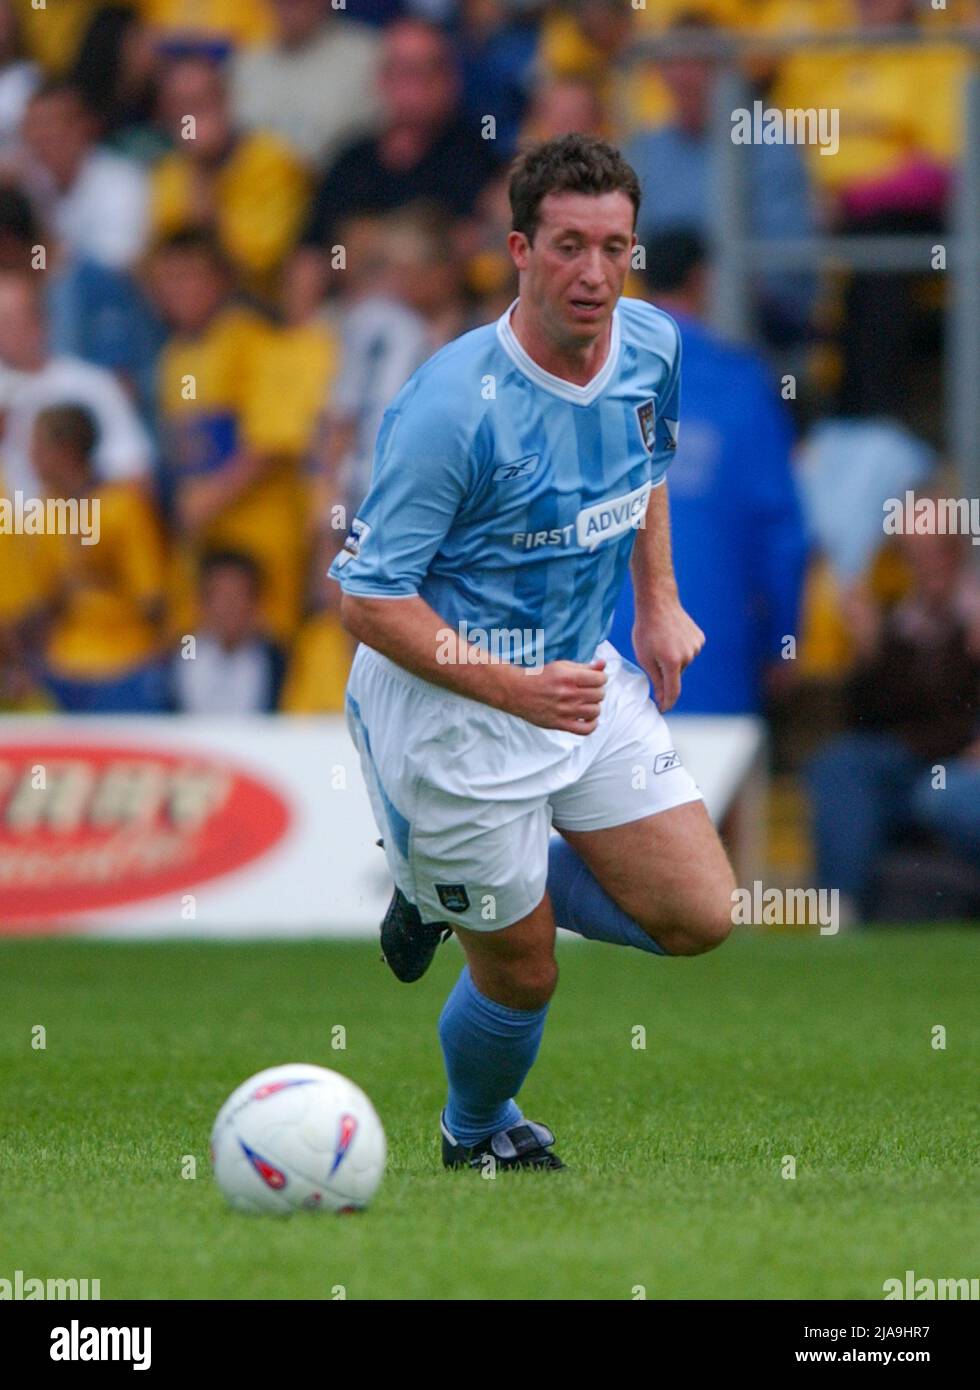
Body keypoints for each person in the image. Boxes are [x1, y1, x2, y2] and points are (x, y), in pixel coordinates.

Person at [330, 134, 735, 1173]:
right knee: (524, 973)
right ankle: (474, 1133)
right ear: (518, 248)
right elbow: (368, 601)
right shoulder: (448, 409)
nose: (593, 273)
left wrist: (658, 601)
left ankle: (442, 887)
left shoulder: (651, 343)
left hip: (578, 678)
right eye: (567, 246)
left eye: (613, 246)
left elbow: (645, 458)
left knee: (701, 915)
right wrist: (515, 685)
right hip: (448, 718)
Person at [608, 231, 807, 714]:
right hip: (711, 653)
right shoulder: (742, 382)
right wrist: (781, 637)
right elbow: (781, 533)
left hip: (602, 663)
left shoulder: (596, 380)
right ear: (703, 280)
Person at [806, 526, 980, 922]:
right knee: (841, 765)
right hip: (908, 762)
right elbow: (864, 721)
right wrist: (868, 656)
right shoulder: (896, 621)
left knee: (947, 796)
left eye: (937, 549)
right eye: (915, 553)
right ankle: (841, 912)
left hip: (964, 764)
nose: (927, 562)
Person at [9, 403, 168, 713]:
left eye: (40, 445)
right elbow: (44, 600)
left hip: (125, 664)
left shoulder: (123, 506)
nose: (31, 455)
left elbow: (153, 599)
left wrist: (96, 575)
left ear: (66, 451)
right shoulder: (46, 509)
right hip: (62, 667)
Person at [169, 550, 286, 714]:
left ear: (255, 603)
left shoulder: (278, 662)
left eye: (238, 595)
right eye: (221, 596)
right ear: (203, 603)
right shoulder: (178, 658)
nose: (229, 606)